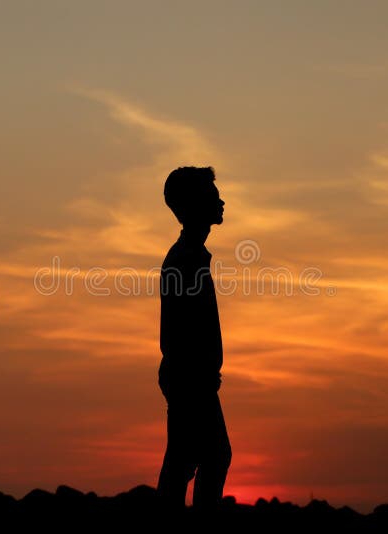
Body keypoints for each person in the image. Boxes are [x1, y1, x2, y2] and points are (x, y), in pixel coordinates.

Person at [156, 166, 231, 512]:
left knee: (188, 460)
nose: (221, 201)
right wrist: (198, 372)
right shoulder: (185, 260)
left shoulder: (192, 257)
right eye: (213, 195)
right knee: (210, 456)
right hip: (190, 378)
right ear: (194, 204)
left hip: (192, 376)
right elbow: (176, 331)